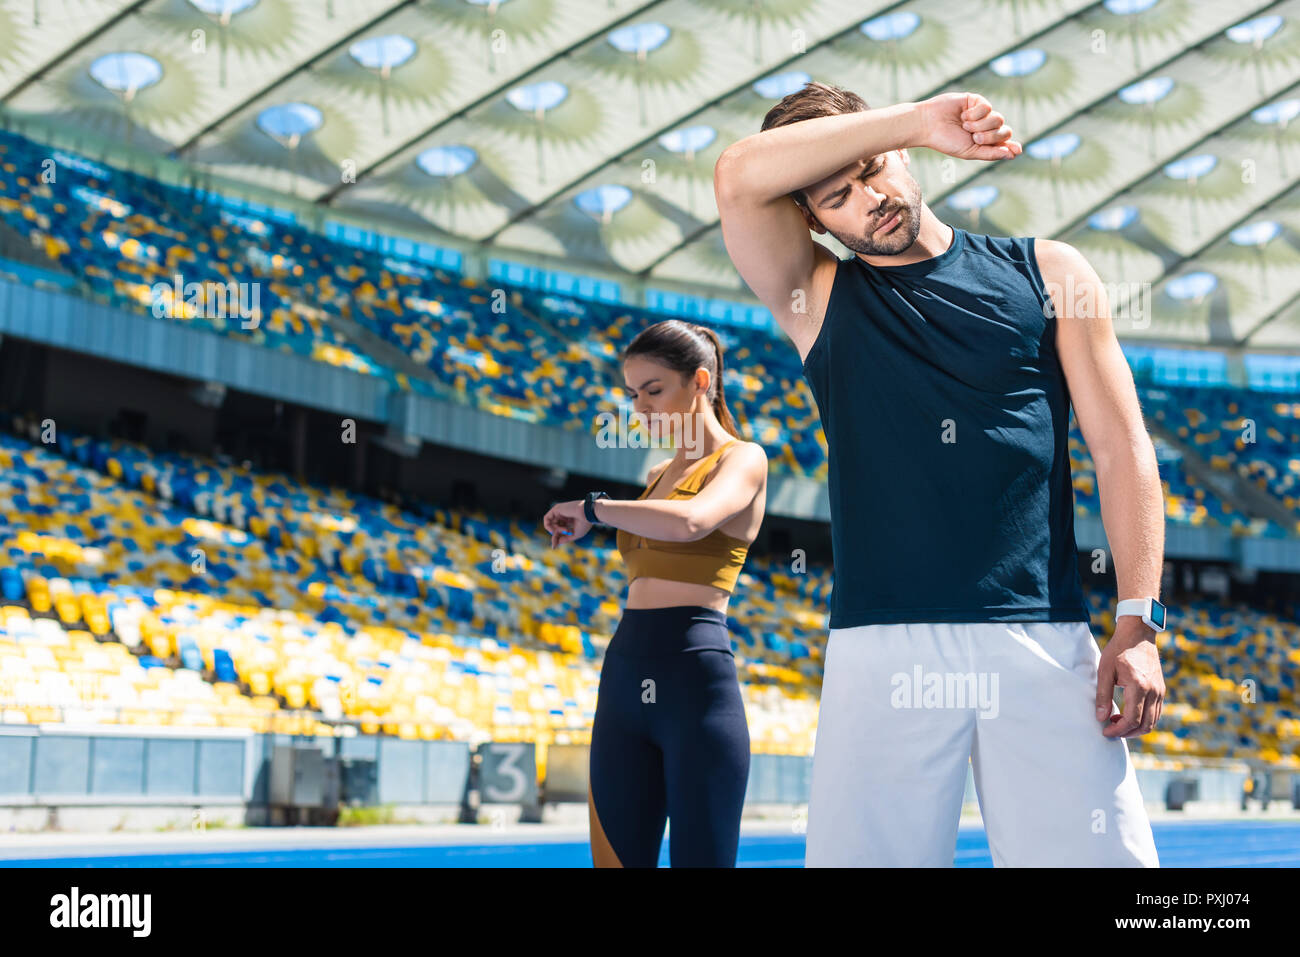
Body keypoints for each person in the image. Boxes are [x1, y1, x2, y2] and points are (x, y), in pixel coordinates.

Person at [713, 82, 1165, 867]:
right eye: (838, 196)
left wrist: (1141, 618)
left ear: (903, 161)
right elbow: (738, 175)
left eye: (876, 169)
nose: (871, 200)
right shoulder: (815, 296)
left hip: (1042, 633)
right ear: (814, 219)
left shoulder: (1050, 273)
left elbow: (1122, 447)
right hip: (880, 647)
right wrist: (919, 121)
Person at [542, 319, 768, 867]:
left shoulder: (743, 459)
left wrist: (593, 509)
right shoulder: (657, 471)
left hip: (695, 682)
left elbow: (692, 521)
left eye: (653, 391)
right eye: (631, 394)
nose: (640, 409)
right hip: (624, 677)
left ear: (699, 381)